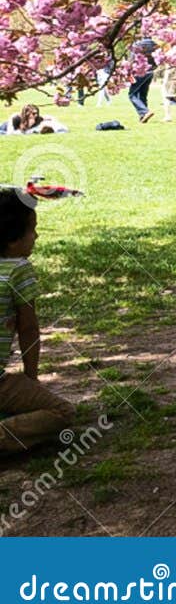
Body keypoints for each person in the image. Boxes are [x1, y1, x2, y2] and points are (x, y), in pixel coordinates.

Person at [0, 189, 75, 453]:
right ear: (12, 240)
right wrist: (31, 377)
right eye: (32, 230)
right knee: (61, 412)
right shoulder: (18, 270)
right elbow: (28, 329)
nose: (36, 237)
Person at [127, 35, 156, 123]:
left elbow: (131, 59)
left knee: (132, 94)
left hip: (139, 72)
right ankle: (143, 117)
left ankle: (145, 112)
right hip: (150, 72)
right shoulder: (154, 45)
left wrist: (128, 71)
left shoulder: (137, 45)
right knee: (143, 95)